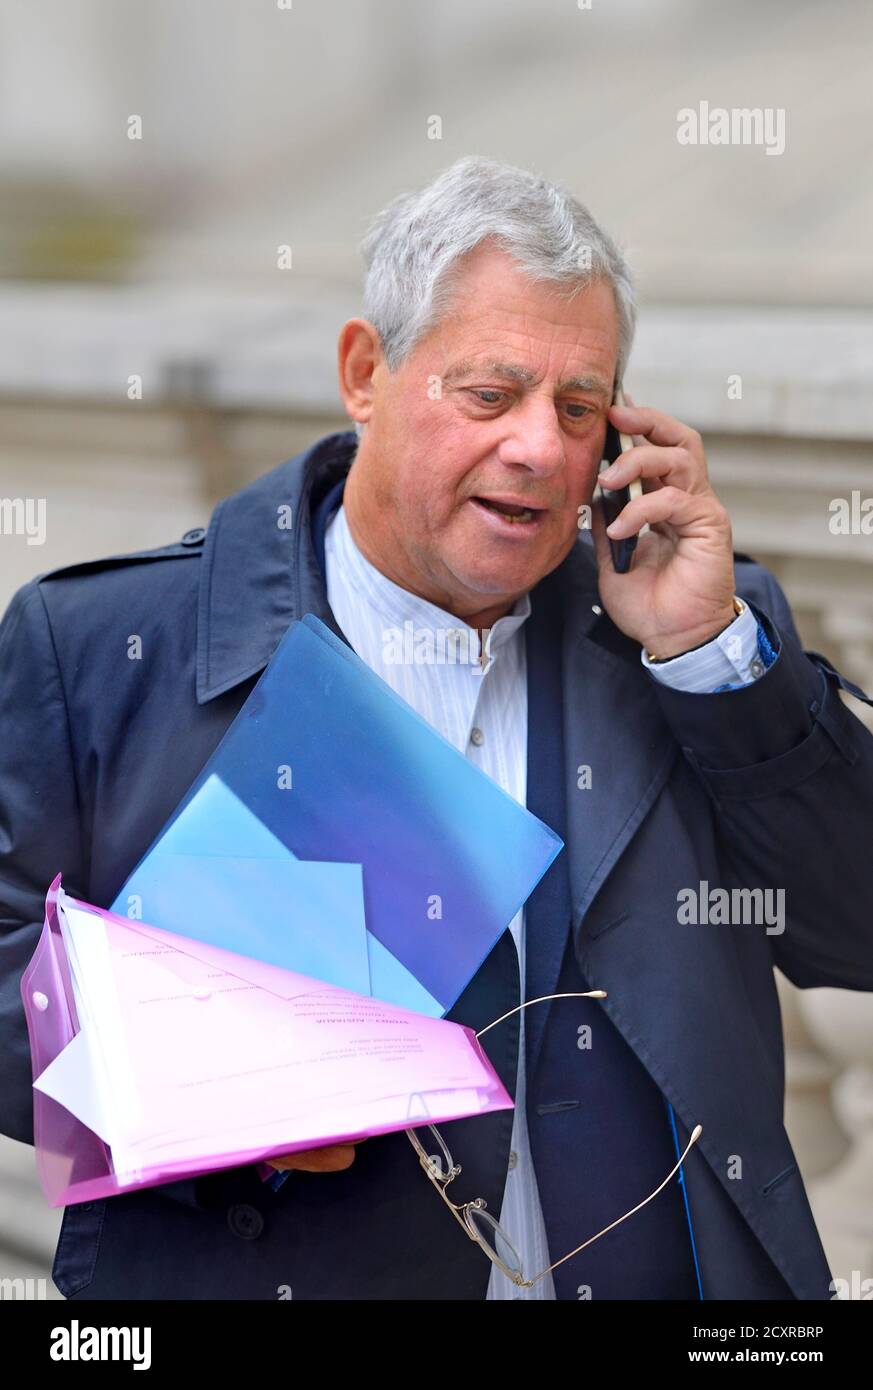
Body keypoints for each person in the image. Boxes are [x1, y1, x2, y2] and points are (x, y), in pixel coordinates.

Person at [1, 156, 871, 1300]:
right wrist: (202, 1074)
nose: (542, 450)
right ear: (367, 372)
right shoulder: (102, 643)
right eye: (490, 395)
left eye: (578, 408)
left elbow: (857, 923)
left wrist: (710, 663)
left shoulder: (689, 636)